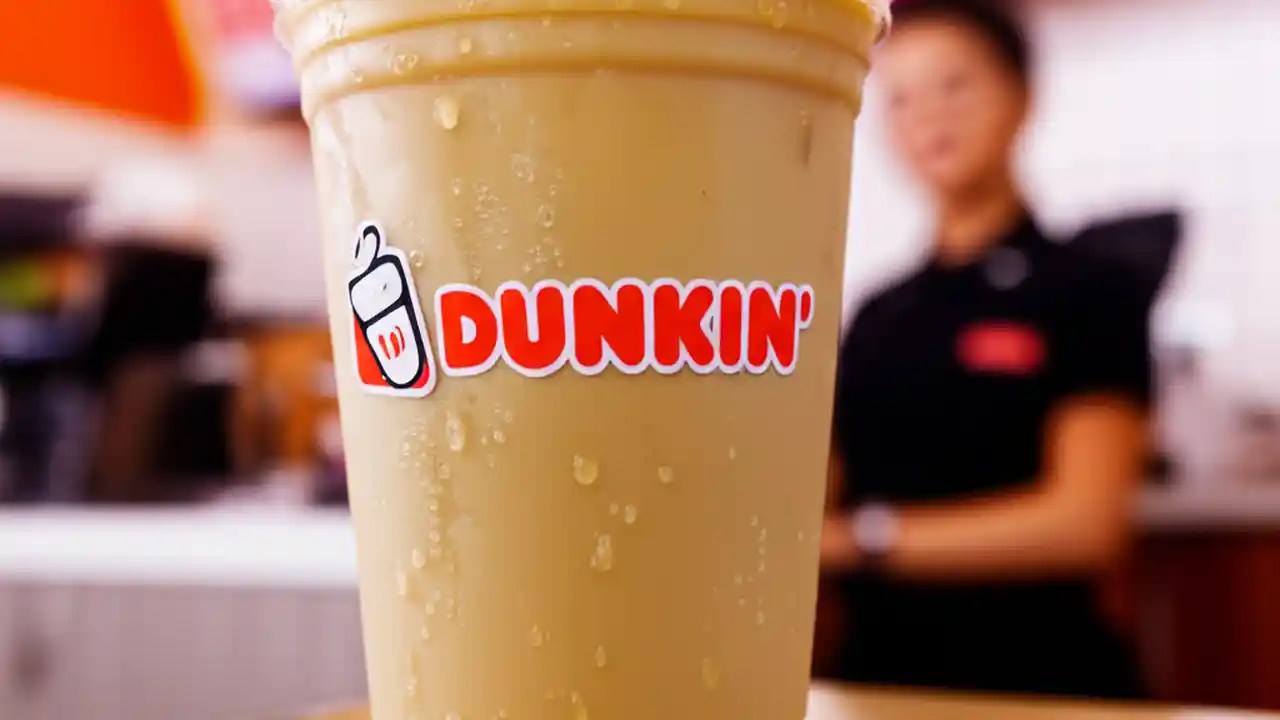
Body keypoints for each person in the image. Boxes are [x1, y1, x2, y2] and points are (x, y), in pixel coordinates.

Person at [818, 0, 1151, 698]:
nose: (929, 117)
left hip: (1042, 684)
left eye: (955, 85)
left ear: (1022, 97)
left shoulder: (1089, 288)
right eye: (901, 98)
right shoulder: (879, 312)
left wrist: (862, 539)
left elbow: (1086, 523)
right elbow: (815, 487)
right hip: (877, 686)